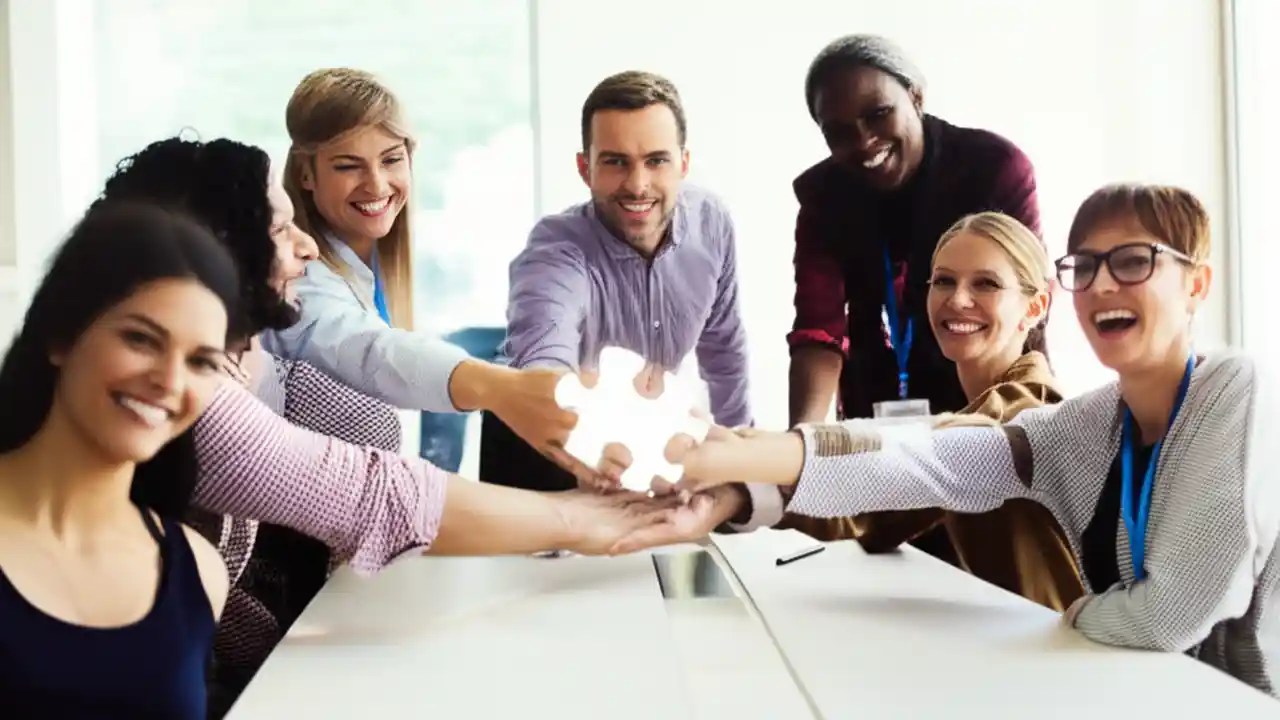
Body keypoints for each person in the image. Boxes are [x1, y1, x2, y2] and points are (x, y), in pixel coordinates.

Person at [101, 136, 695, 714]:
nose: (307, 247)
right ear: (214, 254)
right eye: (281, 229)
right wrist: (582, 519)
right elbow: (372, 492)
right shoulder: (187, 399)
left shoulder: (258, 348)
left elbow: (364, 382)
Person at [671, 184, 1280, 695]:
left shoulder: (1234, 386)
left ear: (1197, 285)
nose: (1100, 285)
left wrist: (1077, 617)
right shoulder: (1091, 423)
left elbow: (1173, 614)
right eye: (1086, 266)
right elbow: (926, 461)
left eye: (1132, 262)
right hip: (1149, 693)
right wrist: (734, 461)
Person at [260, 67, 597, 483]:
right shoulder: (300, 281)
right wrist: (501, 390)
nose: (376, 184)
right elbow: (372, 351)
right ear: (307, 174)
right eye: (348, 166)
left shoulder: (374, 264)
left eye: (391, 160)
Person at [787, 34, 1043, 564]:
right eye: (838, 132)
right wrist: (803, 451)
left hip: (987, 417)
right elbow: (818, 330)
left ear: (917, 96)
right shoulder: (823, 197)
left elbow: (1021, 307)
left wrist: (1012, 419)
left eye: (878, 114)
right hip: (880, 427)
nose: (863, 141)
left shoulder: (993, 167)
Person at [0, 202, 236, 716]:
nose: (170, 382)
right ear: (61, 335)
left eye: (201, 362)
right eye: (140, 339)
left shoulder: (198, 573)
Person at [487, 69, 753, 494]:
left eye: (656, 160)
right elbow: (544, 365)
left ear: (683, 163)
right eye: (615, 162)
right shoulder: (556, 249)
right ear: (585, 168)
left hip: (647, 440)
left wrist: (744, 469)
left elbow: (724, 347)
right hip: (548, 447)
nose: (637, 184)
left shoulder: (711, 223)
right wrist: (594, 437)